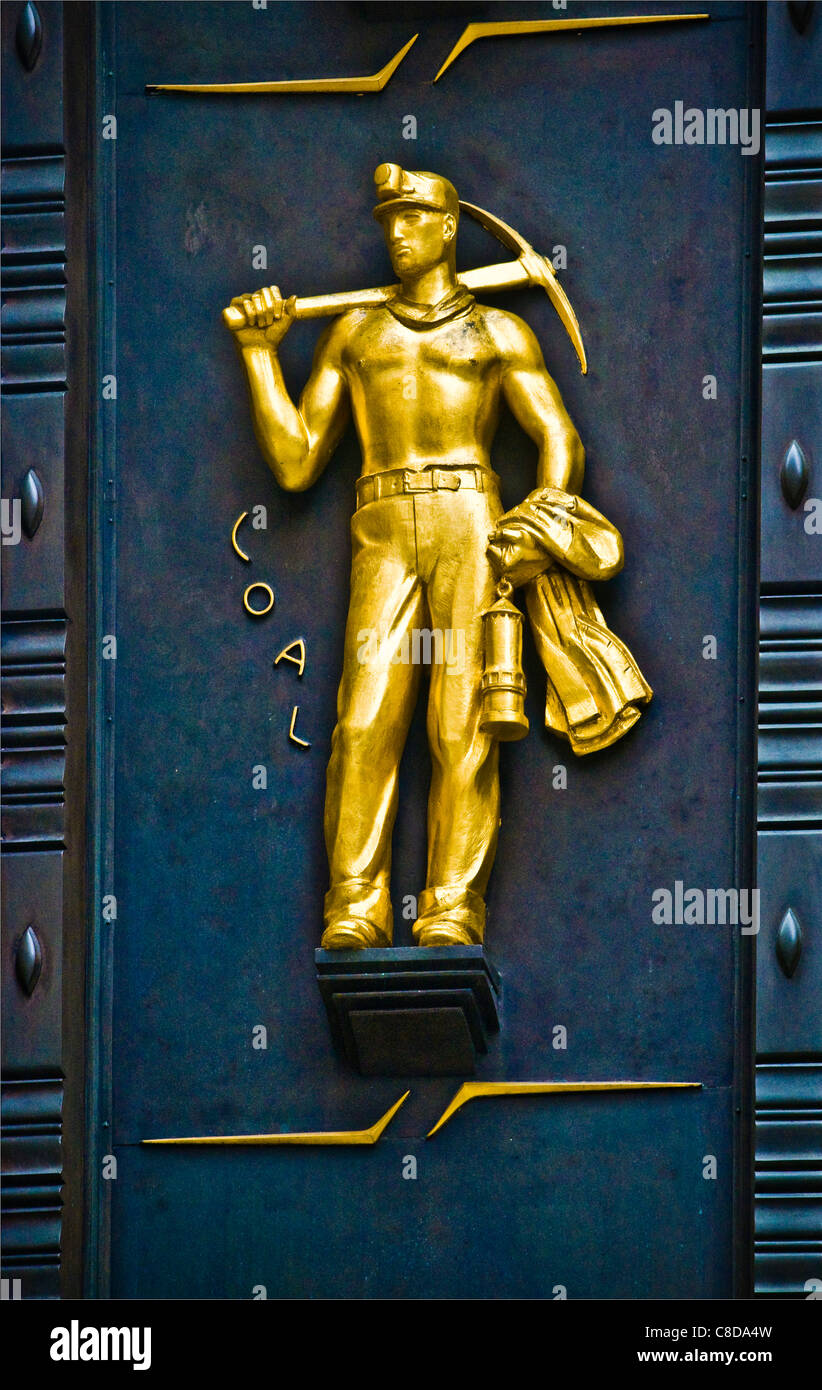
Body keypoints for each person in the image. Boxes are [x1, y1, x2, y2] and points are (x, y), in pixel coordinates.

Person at [227, 163, 621, 951]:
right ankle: (356, 904)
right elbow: (299, 461)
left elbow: (557, 438)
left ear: (447, 229)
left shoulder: (499, 331)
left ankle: (450, 904)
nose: (397, 233)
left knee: (463, 720)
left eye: (413, 218)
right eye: (388, 221)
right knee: (364, 718)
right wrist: (261, 356)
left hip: (470, 521)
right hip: (380, 525)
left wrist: (538, 525)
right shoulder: (355, 335)